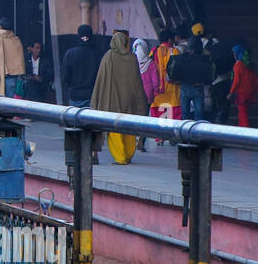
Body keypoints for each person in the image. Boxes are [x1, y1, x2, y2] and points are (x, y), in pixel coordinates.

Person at [91, 32, 148, 164]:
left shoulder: (109, 56)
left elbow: (101, 80)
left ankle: (120, 157)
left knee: (114, 128)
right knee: (128, 127)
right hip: (130, 99)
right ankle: (128, 155)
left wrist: (98, 98)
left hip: (113, 100)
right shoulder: (132, 58)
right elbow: (137, 82)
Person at [168, 36, 214, 122]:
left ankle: (185, 133)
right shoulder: (205, 58)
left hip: (184, 87)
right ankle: (197, 134)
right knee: (199, 115)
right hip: (198, 87)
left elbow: (172, 71)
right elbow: (211, 72)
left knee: (185, 115)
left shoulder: (182, 57)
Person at [149, 30, 181, 140]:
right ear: (169, 39)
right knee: (173, 112)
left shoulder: (153, 51)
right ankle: (171, 136)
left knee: (160, 112)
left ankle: (160, 137)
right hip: (172, 89)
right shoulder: (175, 51)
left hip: (158, 90)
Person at [60, 24, 102, 106]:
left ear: (78, 36)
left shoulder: (70, 54)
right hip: (92, 96)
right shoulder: (98, 54)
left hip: (75, 96)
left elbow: (65, 76)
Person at [228, 44, 258, 128]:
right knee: (244, 113)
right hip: (249, 92)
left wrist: (231, 92)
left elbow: (236, 80)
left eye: (234, 53)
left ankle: (244, 131)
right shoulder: (248, 64)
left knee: (242, 114)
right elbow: (255, 79)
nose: (233, 55)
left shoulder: (238, 65)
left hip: (241, 93)